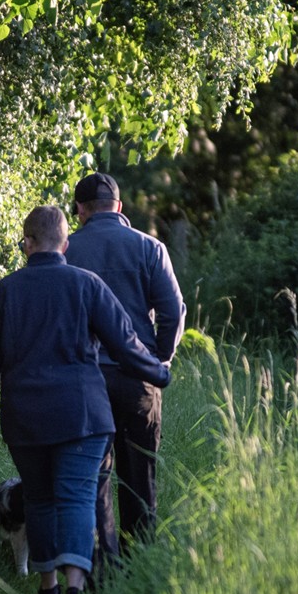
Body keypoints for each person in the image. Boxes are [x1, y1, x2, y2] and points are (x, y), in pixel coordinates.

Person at [0, 205, 171, 594]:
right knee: (76, 497)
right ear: (66, 243)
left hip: (26, 419)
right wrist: (158, 372)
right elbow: (125, 343)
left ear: (27, 243)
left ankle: (49, 592)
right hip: (83, 417)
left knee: (39, 500)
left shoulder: (5, 292)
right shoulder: (86, 284)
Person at [62, 172, 185, 569]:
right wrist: (157, 360)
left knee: (93, 476)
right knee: (139, 476)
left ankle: (101, 569)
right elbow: (173, 312)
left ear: (79, 210)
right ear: (119, 207)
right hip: (138, 380)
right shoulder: (150, 248)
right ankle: (140, 566)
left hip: (85, 381)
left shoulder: (66, 252)